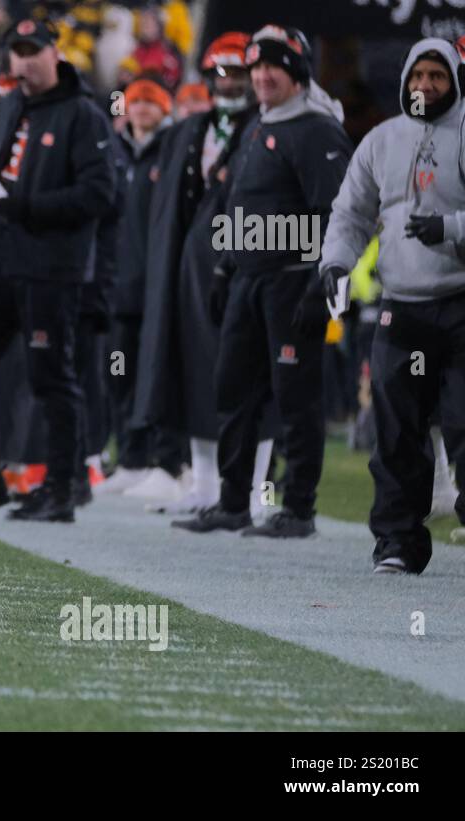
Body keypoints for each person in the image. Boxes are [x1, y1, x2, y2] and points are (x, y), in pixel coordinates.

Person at [0, 19, 116, 523]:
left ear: (55, 53)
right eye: (17, 50)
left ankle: (63, 486)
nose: (25, 59)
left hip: (49, 266)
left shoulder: (84, 115)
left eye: (34, 50)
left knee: (50, 375)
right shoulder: (9, 105)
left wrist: (25, 205)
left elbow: (100, 193)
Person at [174, 25, 352, 538]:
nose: (262, 75)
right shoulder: (260, 124)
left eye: (272, 65)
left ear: (297, 71)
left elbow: (338, 212)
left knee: (295, 397)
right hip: (247, 281)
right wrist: (226, 265)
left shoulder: (317, 129)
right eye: (255, 67)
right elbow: (241, 203)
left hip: (291, 282)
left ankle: (298, 508)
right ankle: (233, 502)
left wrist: (321, 284)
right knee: (232, 390)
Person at [319, 38, 465, 574]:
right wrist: (335, 262)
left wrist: (450, 228)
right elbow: (349, 212)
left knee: (464, 424)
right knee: (396, 432)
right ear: (404, 81)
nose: (425, 86)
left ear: (454, 81)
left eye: (436, 76)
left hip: (461, 302)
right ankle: (398, 543)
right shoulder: (381, 140)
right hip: (400, 306)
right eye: (417, 76)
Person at [133, 31, 268, 517]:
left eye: (236, 72)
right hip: (194, 268)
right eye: (220, 72)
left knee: (252, 377)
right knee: (193, 371)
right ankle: (206, 482)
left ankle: (255, 489)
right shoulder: (192, 132)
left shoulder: (267, 126)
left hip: (249, 262)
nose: (228, 82)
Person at [98, 78, 186, 497]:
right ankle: (130, 457)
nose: (143, 110)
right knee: (119, 373)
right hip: (118, 287)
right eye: (137, 103)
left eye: (152, 103)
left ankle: (166, 460)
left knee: (161, 375)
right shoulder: (112, 152)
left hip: (159, 287)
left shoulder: (174, 148)